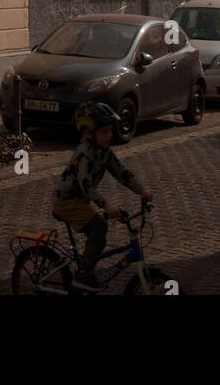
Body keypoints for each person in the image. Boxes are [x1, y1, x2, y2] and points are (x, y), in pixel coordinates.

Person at [52, 101, 154, 288]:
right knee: (99, 227)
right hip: (65, 202)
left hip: (79, 202)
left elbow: (121, 172)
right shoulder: (85, 153)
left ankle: (85, 270)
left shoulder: (105, 152)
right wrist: (106, 205)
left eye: (110, 130)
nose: (109, 135)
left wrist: (142, 190)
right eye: (103, 131)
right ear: (89, 133)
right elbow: (85, 185)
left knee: (103, 226)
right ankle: (83, 274)